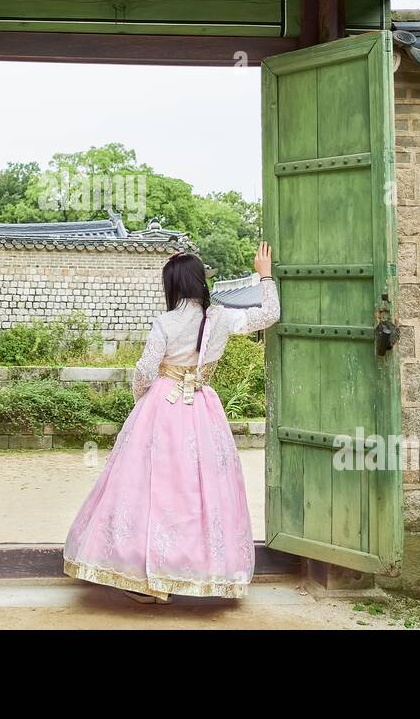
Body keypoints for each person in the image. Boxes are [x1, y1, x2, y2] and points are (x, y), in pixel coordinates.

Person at [63, 242, 280, 603]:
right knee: (201, 489)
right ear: (199, 282)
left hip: (161, 405)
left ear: (173, 286)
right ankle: (199, 575)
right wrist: (264, 274)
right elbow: (269, 313)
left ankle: (145, 578)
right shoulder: (221, 317)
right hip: (203, 408)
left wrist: (141, 402)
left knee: (150, 487)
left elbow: (145, 369)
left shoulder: (166, 322)